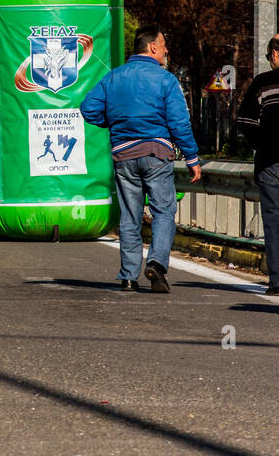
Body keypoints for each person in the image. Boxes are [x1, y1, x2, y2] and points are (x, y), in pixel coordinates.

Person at [80, 25, 202, 293]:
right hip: (156, 153)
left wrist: (114, 123)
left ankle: (127, 276)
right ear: (153, 48)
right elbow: (179, 123)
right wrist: (192, 157)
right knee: (163, 211)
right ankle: (157, 264)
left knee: (130, 216)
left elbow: (88, 109)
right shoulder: (165, 80)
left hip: (123, 155)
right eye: (164, 45)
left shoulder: (113, 77)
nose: (167, 50)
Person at [236, 32, 279, 295]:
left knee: (274, 222)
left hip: (270, 164)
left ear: (275, 54)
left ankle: (276, 282)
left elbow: (246, 123)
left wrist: (263, 145)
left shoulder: (262, 84)